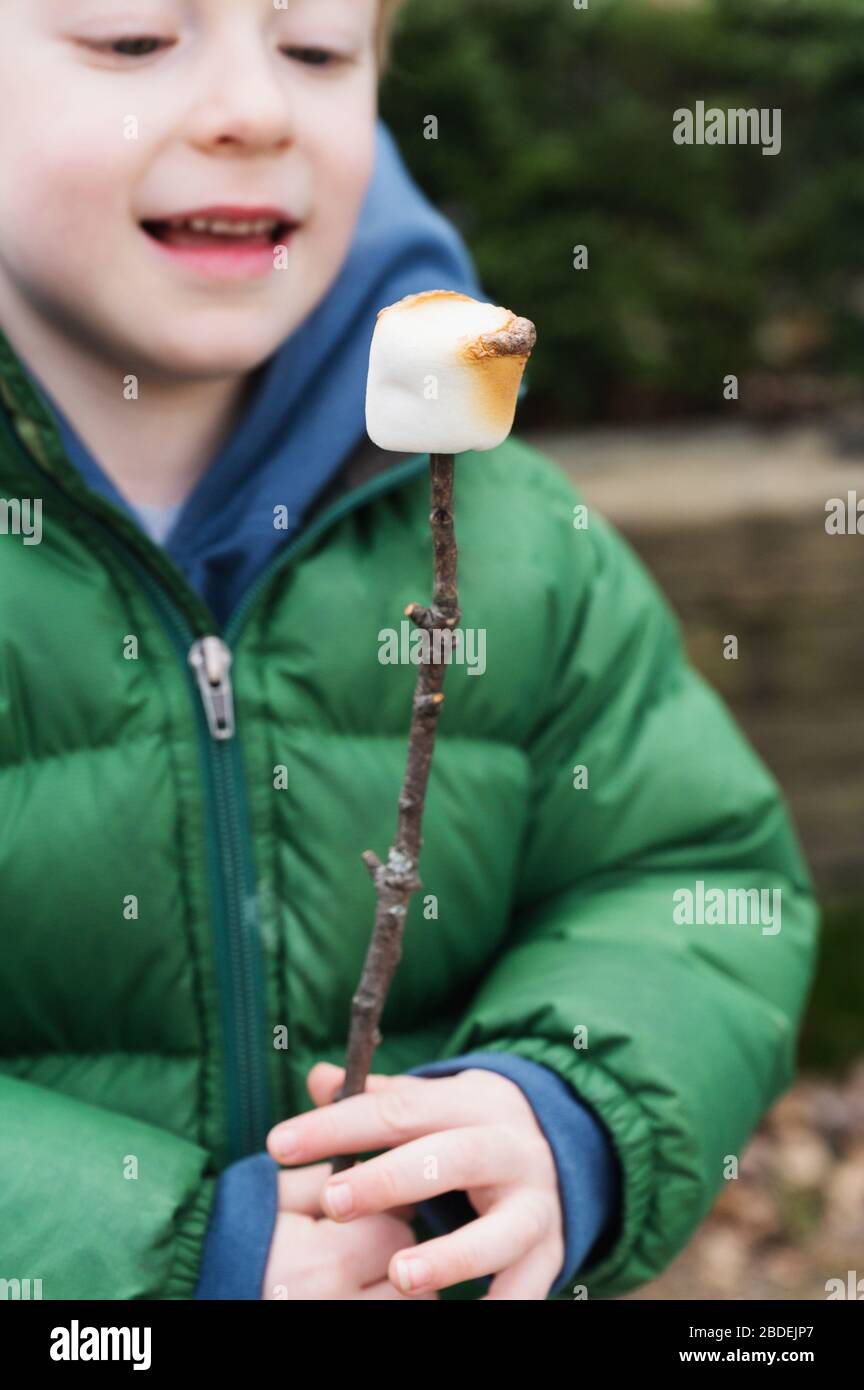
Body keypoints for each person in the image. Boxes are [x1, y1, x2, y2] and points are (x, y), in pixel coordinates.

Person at [0, 0, 819, 1301]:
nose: (254, 108)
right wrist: (165, 1256)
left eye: (317, 48)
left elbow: (690, 874)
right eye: (133, 37)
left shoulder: (515, 537)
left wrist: (565, 1108)